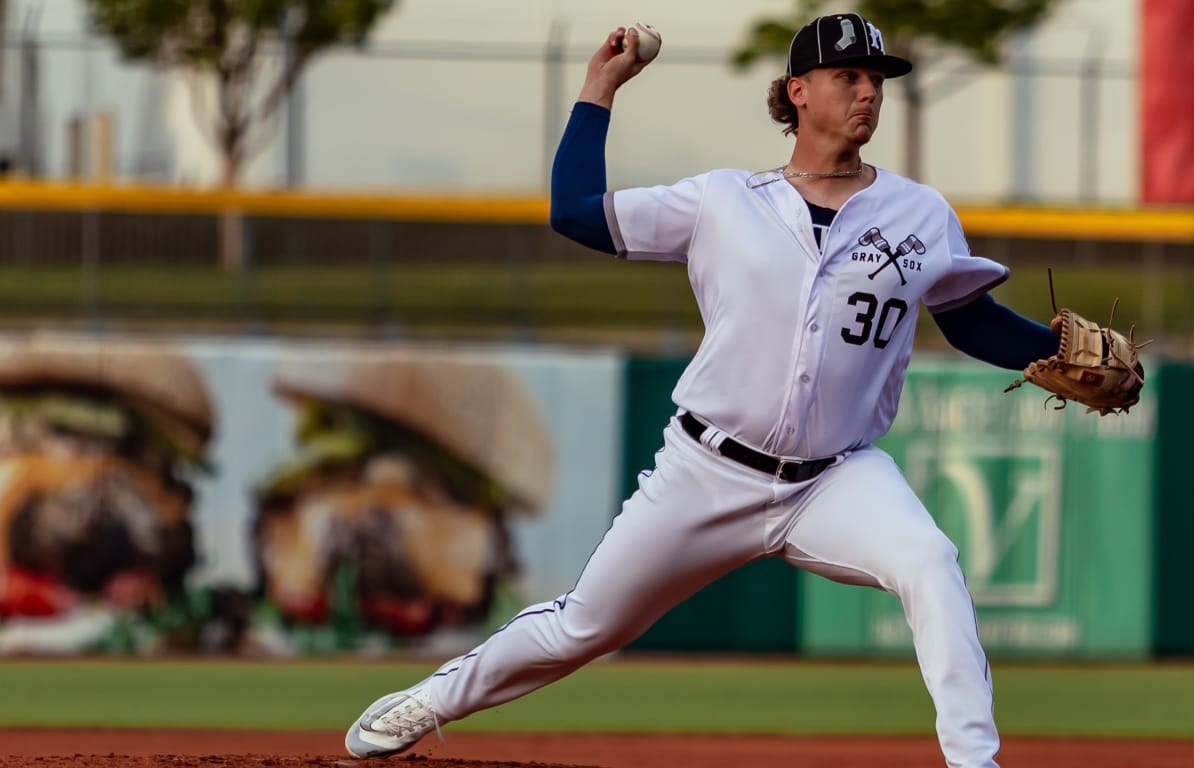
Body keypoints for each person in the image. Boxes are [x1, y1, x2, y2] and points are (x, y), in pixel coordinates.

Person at [345, 13, 1064, 767]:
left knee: (929, 563)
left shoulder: (921, 214)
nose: (868, 93)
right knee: (582, 629)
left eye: (876, 80)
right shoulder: (724, 201)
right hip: (708, 471)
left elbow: (969, 320)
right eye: (849, 76)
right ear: (798, 92)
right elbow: (576, 213)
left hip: (836, 477)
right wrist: (599, 89)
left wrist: (1050, 351)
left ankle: (973, 762)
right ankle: (429, 702)